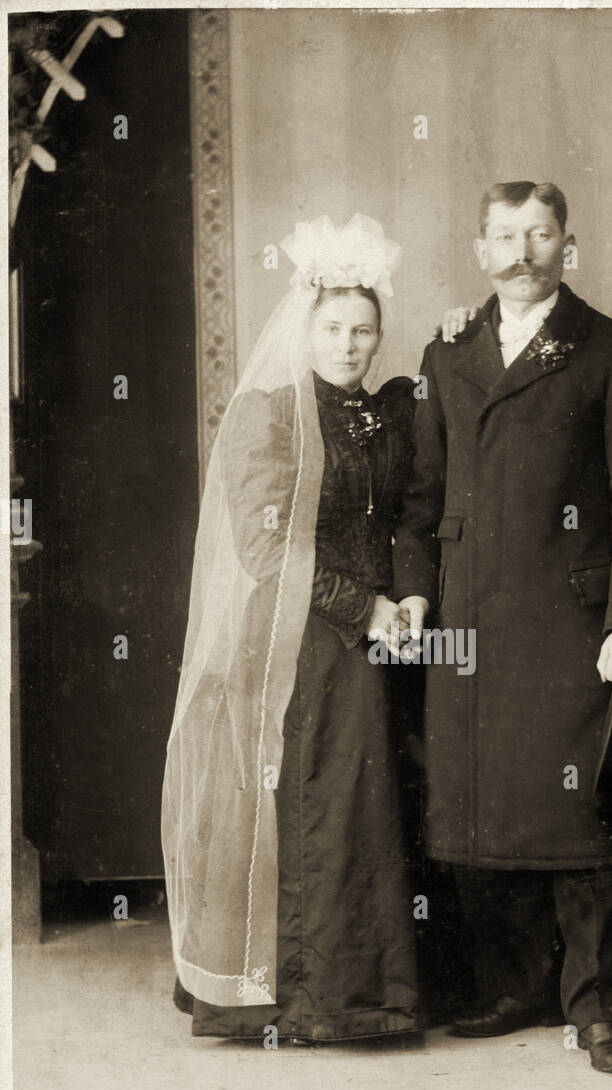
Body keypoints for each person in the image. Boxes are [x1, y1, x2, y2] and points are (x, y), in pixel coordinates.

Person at [393, 181, 612, 1074]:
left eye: (541, 234)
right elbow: (420, 501)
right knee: (484, 813)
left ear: (568, 246)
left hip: (574, 622)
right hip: (466, 622)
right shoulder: (446, 354)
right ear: (480, 249)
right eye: (506, 236)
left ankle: (599, 1012)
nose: (523, 252)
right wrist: (413, 595)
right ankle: (515, 990)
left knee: (577, 816)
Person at [162, 215, 421, 1043]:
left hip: (385, 646)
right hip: (296, 645)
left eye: (364, 331)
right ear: (305, 329)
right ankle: (306, 1000)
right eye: (334, 329)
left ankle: (373, 993)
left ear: (380, 337)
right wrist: (363, 608)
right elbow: (267, 547)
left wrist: (402, 604)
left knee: (370, 813)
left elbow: (415, 512)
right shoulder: (267, 415)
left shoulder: (386, 411)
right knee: (315, 808)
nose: (349, 345)